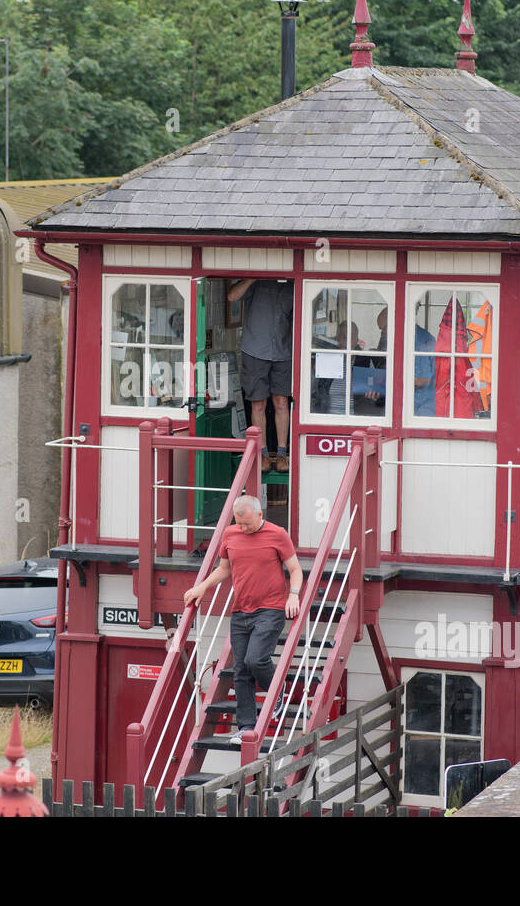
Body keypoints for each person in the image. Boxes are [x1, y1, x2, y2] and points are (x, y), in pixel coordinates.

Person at [183, 494, 302, 743]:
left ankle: (276, 689)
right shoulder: (230, 534)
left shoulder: (277, 534)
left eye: (248, 523)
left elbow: (295, 569)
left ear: (260, 515)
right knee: (240, 671)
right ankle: (246, 727)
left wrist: (293, 595)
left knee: (255, 659)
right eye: (240, 523)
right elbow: (224, 568)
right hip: (241, 611)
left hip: (270, 608)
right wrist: (202, 587)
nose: (244, 528)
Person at [230, 279, 293, 471]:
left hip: (285, 350)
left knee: (281, 401)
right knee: (258, 403)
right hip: (255, 350)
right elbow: (232, 296)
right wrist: (253, 276)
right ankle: (263, 454)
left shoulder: (292, 285)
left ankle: (282, 454)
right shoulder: (257, 281)